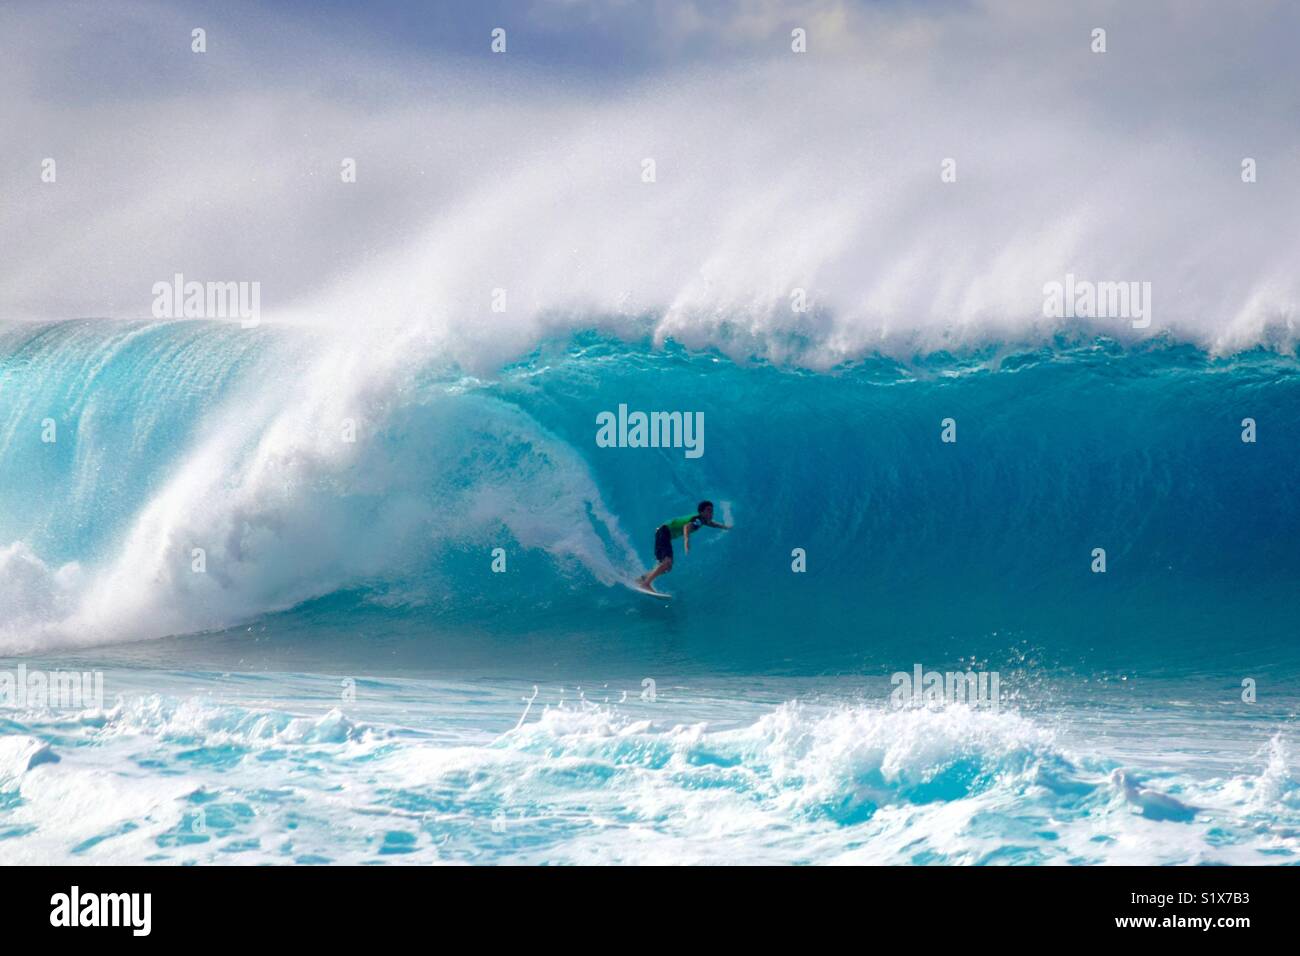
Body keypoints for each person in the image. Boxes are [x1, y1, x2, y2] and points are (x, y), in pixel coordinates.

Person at [637, 500, 730, 592]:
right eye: (709, 510)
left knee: (667, 567)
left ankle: (642, 579)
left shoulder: (702, 520)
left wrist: (725, 527)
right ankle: (645, 584)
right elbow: (687, 526)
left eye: (712, 511)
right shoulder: (698, 520)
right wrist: (686, 541)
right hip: (665, 531)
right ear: (702, 512)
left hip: (664, 532)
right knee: (666, 562)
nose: (711, 513)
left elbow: (712, 523)